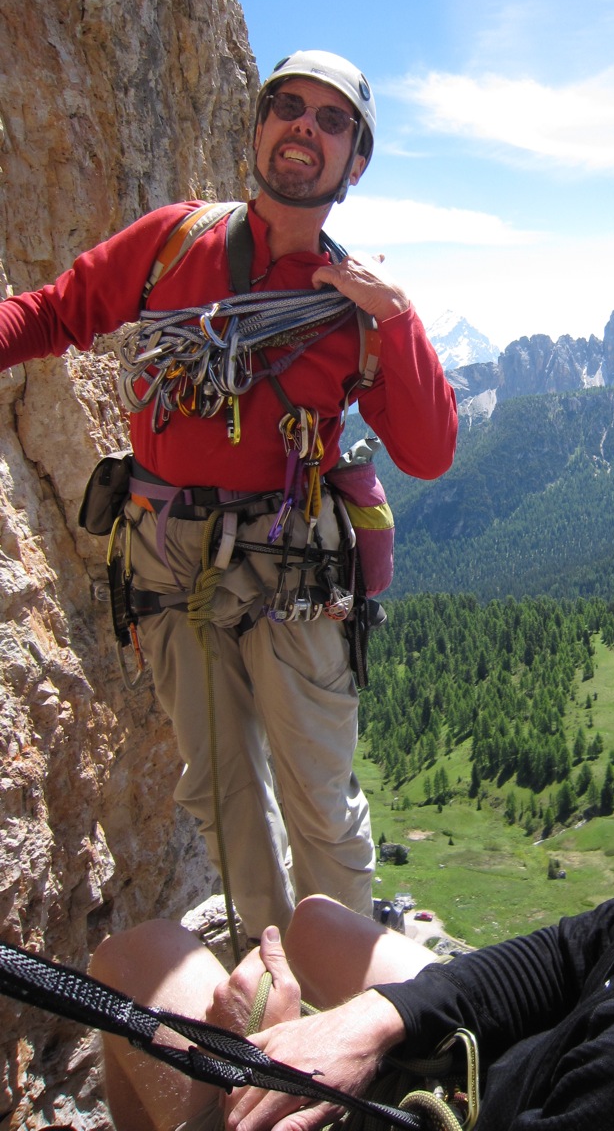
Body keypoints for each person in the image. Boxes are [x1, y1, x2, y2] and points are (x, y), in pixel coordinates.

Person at [90, 592, 614, 1130]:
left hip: (519, 1100)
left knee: (142, 959)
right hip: (530, 1076)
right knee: (317, 921)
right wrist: (377, 1021)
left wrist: (235, 1085)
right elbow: (572, 954)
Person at [0, 50, 458, 937]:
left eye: (333, 122)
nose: (305, 129)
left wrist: (395, 319)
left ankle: (350, 1004)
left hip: (294, 573)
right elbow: (57, 312)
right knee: (222, 793)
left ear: (354, 164)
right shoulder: (174, 243)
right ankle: (270, 976)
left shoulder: (359, 304)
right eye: (288, 107)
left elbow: (431, 451)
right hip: (172, 560)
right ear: (256, 128)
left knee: (319, 799)